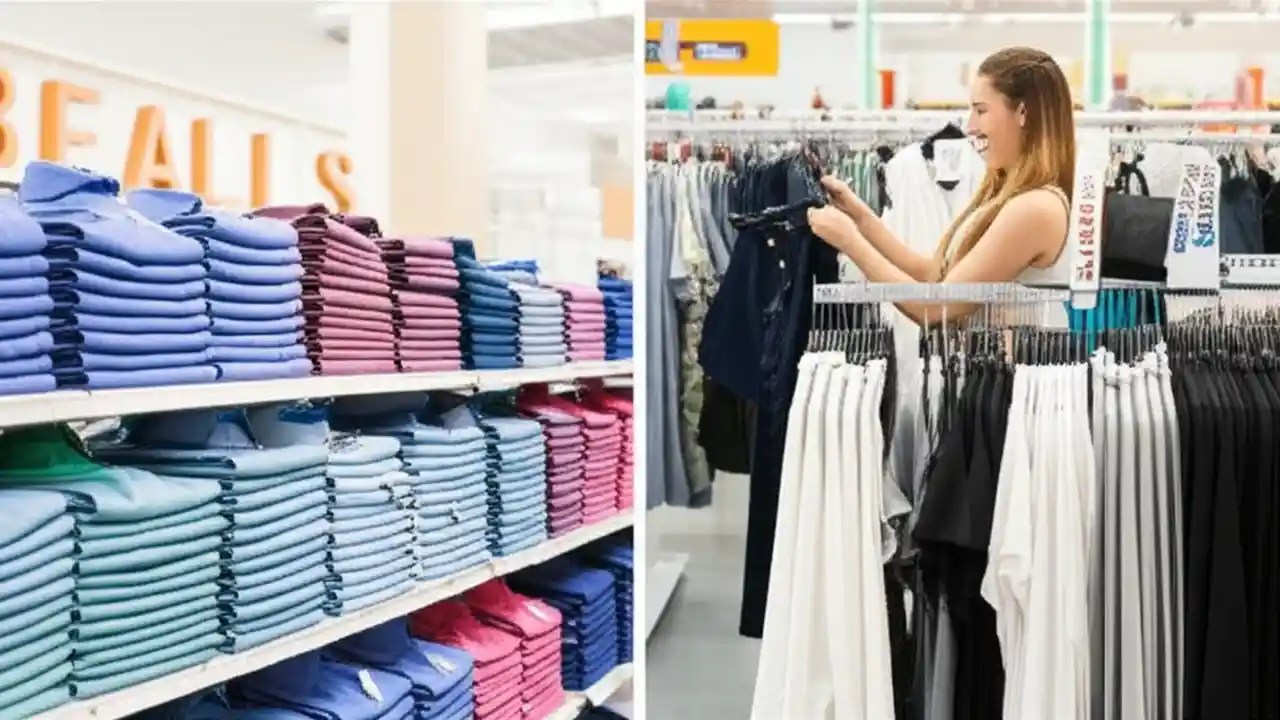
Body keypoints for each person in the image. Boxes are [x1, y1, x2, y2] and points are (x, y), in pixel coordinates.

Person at [806, 46, 1076, 325]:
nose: (970, 126)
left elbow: (936, 308)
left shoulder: (1035, 208)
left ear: (1022, 112)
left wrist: (850, 242)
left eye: (981, 110)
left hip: (1014, 355)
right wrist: (861, 219)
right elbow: (937, 277)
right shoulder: (1013, 196)